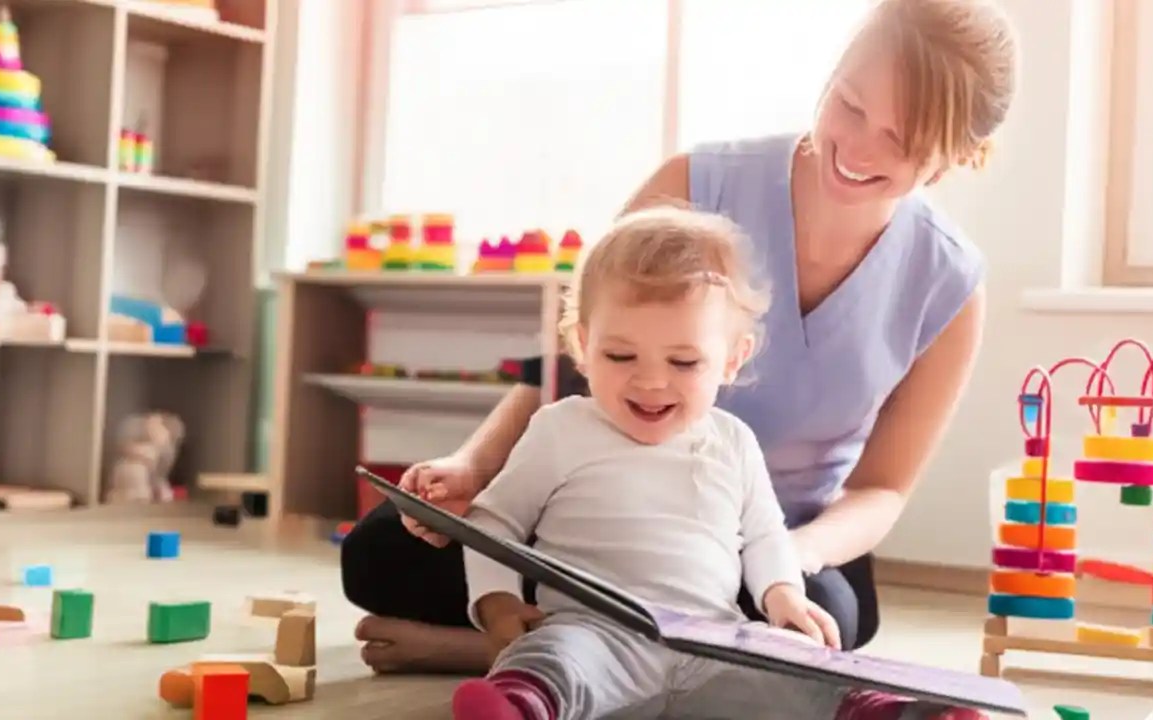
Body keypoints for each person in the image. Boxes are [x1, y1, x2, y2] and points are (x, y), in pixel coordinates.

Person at [343, 0, 1016, 674]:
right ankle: (567, 648)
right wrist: (474, 467)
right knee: (379, 550)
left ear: (958, 154)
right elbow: (576, 360)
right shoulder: (697, 183)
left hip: (775, 533)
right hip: (597, 511)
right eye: (849, 103)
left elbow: (882, 490)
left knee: (824, 618)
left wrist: (786, 558)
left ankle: (507, 652)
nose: (859, 147)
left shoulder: (948, 284)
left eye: (902, 140)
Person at [447, 205, 982, 720]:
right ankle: (520, 704)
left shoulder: (734, 442)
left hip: (715, 642)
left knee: (800, 664)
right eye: (619, 356)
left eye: (683, 361)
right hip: (597, 635)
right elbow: (494, 521)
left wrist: (782, 594)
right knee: (553, 656)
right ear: (583, 346)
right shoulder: (562, 429)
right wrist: (496, 601)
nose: (651, 381)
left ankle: (882, 710)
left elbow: (766, 537)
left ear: (732, 359)